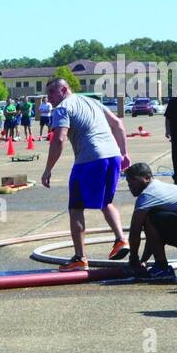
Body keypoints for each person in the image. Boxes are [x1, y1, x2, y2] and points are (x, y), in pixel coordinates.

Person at [40, 76, 131, 271]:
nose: (49, 99)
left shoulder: (63, 108)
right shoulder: (93, 102)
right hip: (112, 156)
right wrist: (124, 153)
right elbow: (118, 124)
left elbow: (59, 139)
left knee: (76, 207)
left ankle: (80, 258)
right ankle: (121, 240)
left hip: (90, 159)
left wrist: (48, 169)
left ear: (63, 91)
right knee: (106, 202)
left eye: (51, 93)